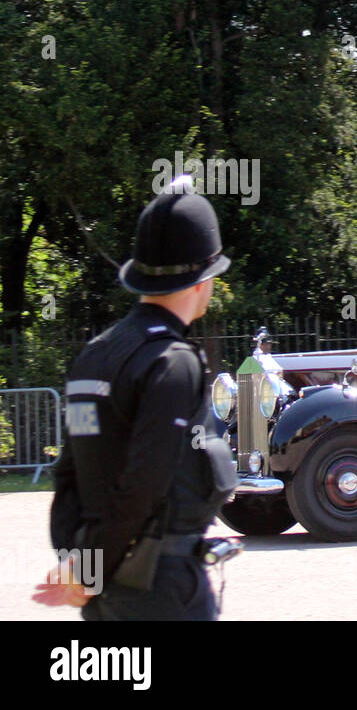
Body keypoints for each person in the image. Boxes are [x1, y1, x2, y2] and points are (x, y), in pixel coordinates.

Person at [33, 181, 237, 620]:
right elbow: (143, 486)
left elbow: (70, 475)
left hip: (106, 592)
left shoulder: (96, 354)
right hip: (161, 589)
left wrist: (83, 568)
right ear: (204, 280)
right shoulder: (172, 362)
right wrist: (88, 572)